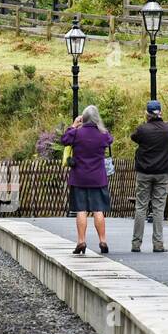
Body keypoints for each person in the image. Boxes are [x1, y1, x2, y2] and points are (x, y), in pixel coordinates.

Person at [61, 105, 113, 255]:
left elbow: (64, 140)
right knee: (98, 210)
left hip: (79, 177)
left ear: (83, 118)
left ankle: (81, 241)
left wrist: (73, 125)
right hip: (98, 178)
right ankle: (102, 240)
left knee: (81, 210)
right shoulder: (103, 134)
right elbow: (110, 140)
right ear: (96, 118)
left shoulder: (77, 133)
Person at [130, 99, 168, 253]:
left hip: (144, 172)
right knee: (158, 209)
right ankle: (158, 244)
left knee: (141, 207)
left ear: (147, 113)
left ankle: (136, 243)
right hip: (163, 173)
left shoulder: (142, 129)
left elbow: (134, 137)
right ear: (160, 112)